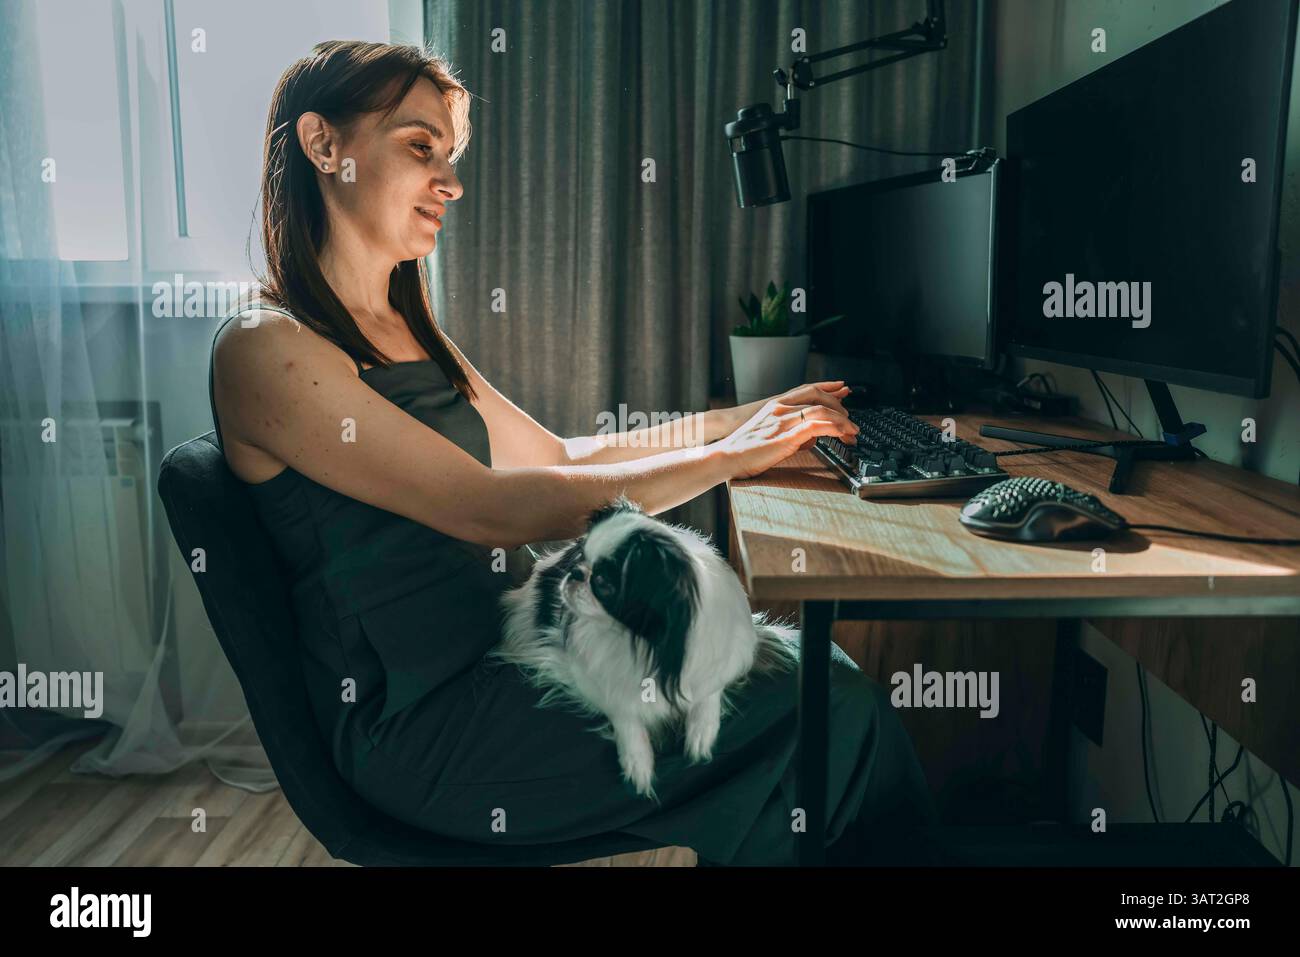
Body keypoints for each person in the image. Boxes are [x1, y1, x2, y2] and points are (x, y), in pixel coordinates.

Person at [209, 39, 936, 866]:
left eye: (449, 157)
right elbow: (490, 505)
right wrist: (736, 456)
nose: (449, 184)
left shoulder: (408, 330)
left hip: (511, 652)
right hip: (426, 729)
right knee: (821, 700)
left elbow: (560, 451)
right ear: (322, 144)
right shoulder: (265, 349)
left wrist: (745, 418)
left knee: (815, 684)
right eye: (420, 149)